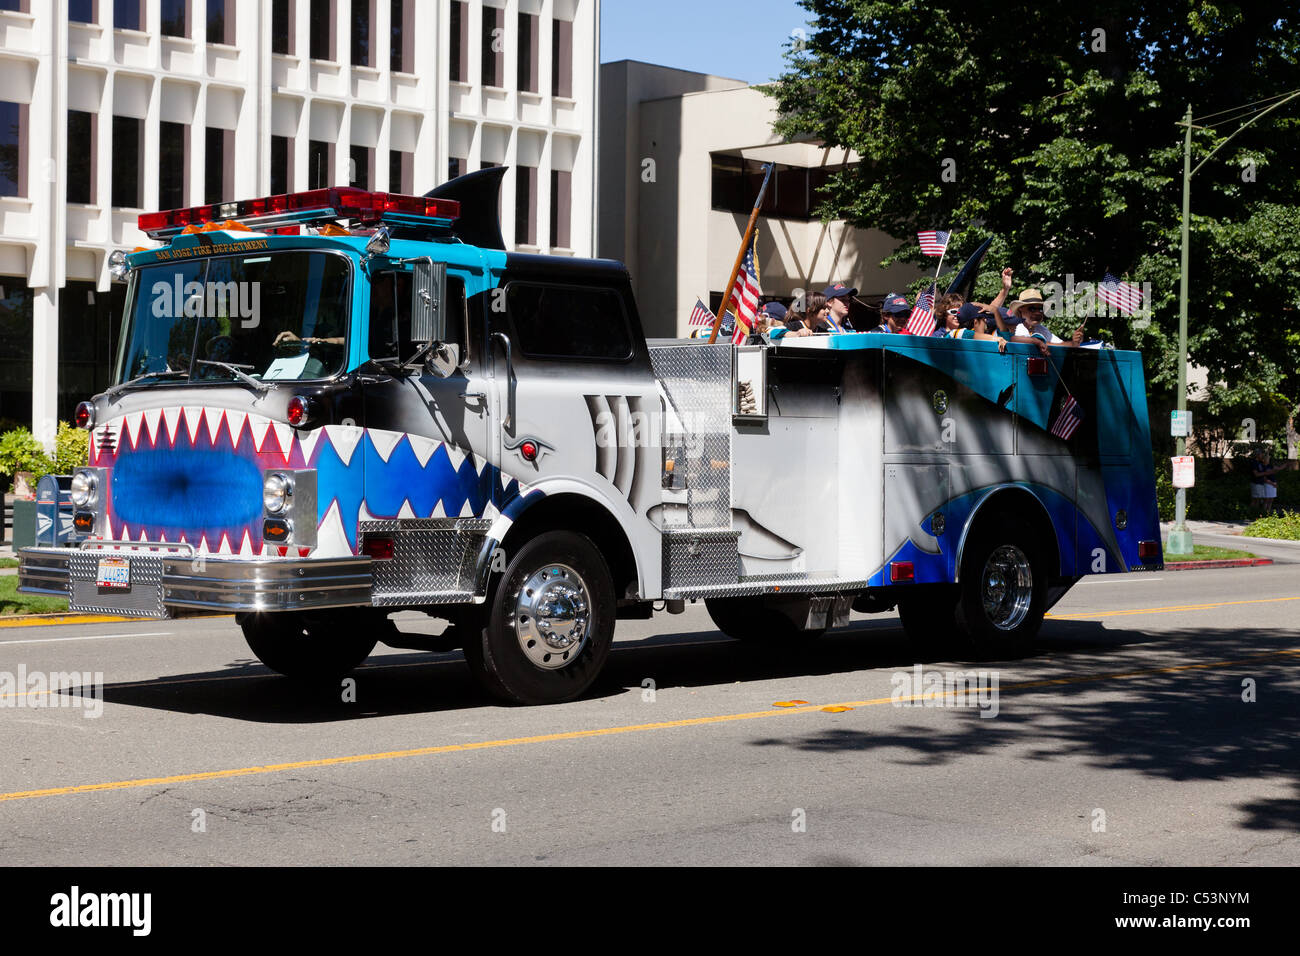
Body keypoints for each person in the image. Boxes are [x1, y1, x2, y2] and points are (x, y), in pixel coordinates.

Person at [1006, 288, 1084, 349]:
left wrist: (1074, 342)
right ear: (1021, 309)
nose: (1038, 313)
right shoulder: (1018, 326)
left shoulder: (1042, 329)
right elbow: (1014, 339)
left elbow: (1059, 344)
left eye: (1040, 309)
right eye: (1032, 309)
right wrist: (1037, 342)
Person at [1249, 448, 1285, 515]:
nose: (1262, 455)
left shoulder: (1259, 463)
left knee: (1259, 500)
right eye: (1261, 454)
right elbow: (1256, 474)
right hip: (1256, 483)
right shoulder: (1254, 463)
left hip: (1260, 483)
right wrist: (1267, 473)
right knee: (1255, 499)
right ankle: (1252, 513)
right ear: (1257, 455)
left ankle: (1258, 513)